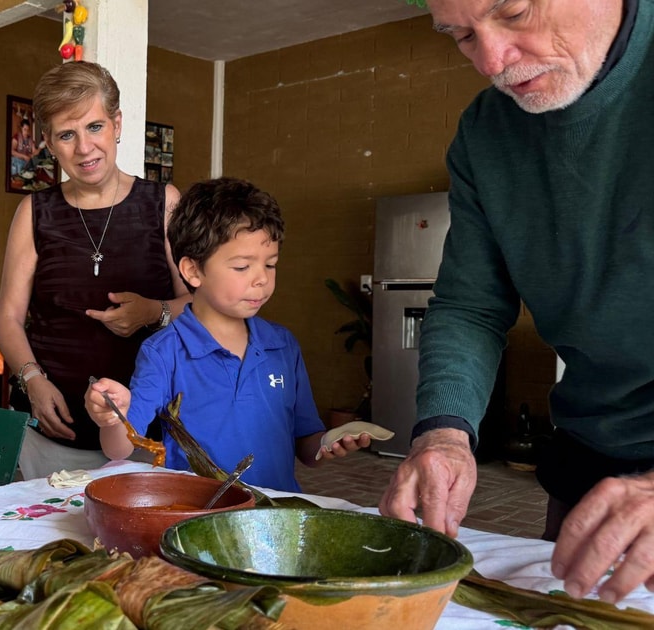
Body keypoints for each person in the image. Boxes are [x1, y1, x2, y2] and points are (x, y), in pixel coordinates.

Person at [377, 0, 654, 605]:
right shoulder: (486, 132)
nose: (492, 61)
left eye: (516, 12)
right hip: (590, 450)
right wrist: (444, 433)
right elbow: (471, 305)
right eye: (459, 36)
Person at [83, 178, 369, 490]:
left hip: (274, 520)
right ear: (193, 271)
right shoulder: (164, 351)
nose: (261, 279)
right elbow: (119, 448)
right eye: (242, 267)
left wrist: (331, 442)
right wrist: (113, 417)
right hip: (199, 522)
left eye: (270, 265)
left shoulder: (282, 345)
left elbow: (307, 448)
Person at [0, 61, 191, 479]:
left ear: (117, 124)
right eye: (67, 135)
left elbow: (202, 305)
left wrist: (153, 312)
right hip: (53, 431)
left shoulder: (164, 203)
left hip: (144, 428)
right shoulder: (34, 212)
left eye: (95, 127)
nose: (84, 148)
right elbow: (8, 317)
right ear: (49, 141)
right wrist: (33, 380)